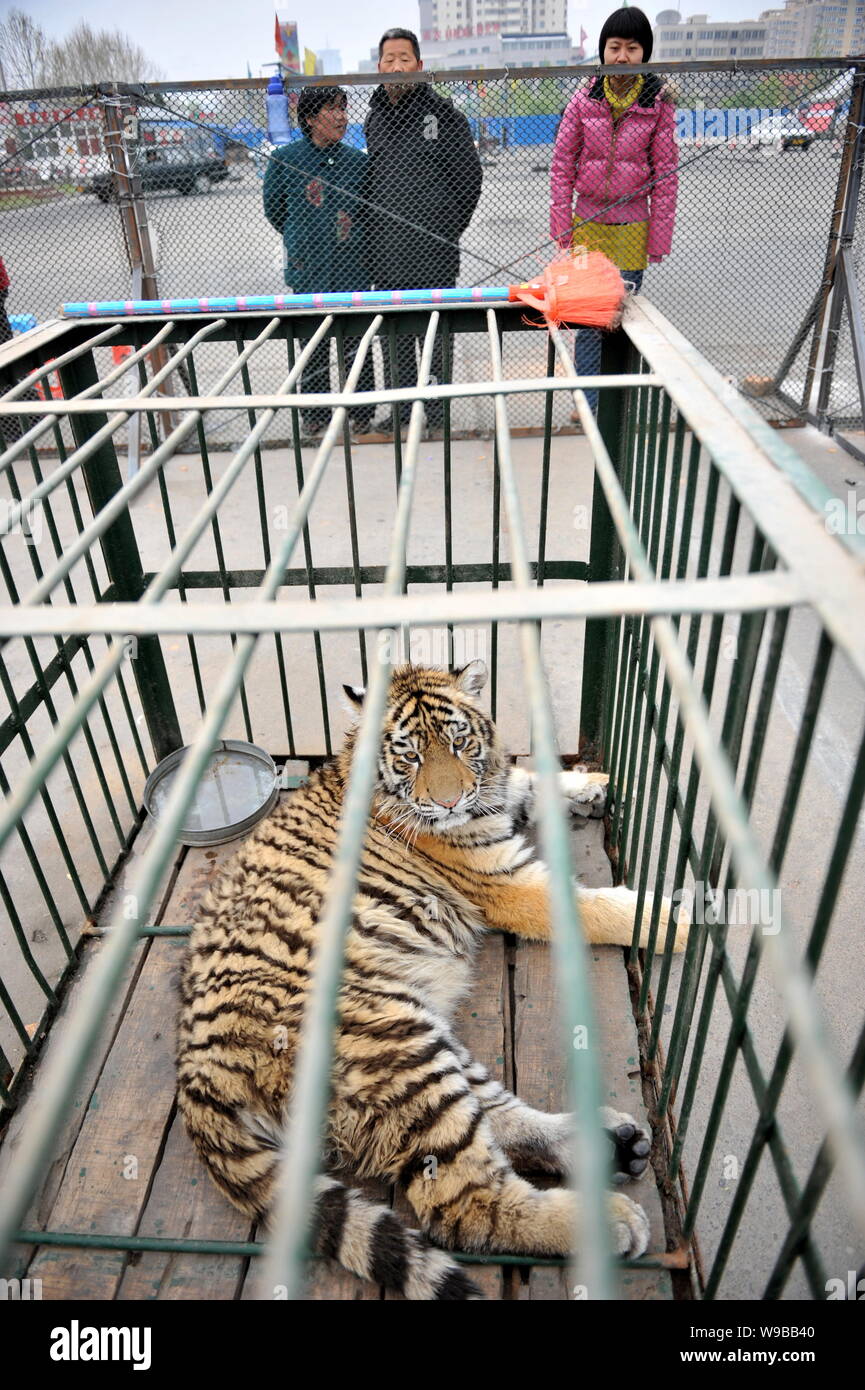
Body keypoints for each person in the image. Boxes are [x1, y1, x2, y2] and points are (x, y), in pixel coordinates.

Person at [550, 6, 678, 416]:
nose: (622, 56)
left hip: (631, 231)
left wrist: (658, 238)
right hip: (586, 226)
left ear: (645, 53)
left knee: (620, 320)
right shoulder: (583, 98)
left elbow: (667, 175)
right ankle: (587, 402)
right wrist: (562, 227)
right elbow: (561, 164)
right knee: (587, 320)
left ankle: (614, 404)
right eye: (614, 47)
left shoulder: (657, 103)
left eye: (632, 47)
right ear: (603, 51)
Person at [364, 28, 482, 431]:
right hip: (386, 252)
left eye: (404, 58)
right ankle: (400, 410)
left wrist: (448, 227)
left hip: (435, 250)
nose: (396, 66)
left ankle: (435, 412)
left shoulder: (445, 115)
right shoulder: (374, 116)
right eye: (389, 59)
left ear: (419, 65)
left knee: (434, 336)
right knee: (394, 339)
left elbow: (468, 179)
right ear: (378, 67)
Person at [263, 85, 376, 437]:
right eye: (332, 109)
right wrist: (303, 237)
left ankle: (361, 411)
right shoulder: (285, 160)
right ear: (310, 118)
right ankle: (315, 415)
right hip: (307, 269)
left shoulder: (358, 162)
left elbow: (368, 214)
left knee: (356, 344)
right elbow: (275, 210)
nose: (342, 116)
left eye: (344, 108)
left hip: (352, 268)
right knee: (311, 344)